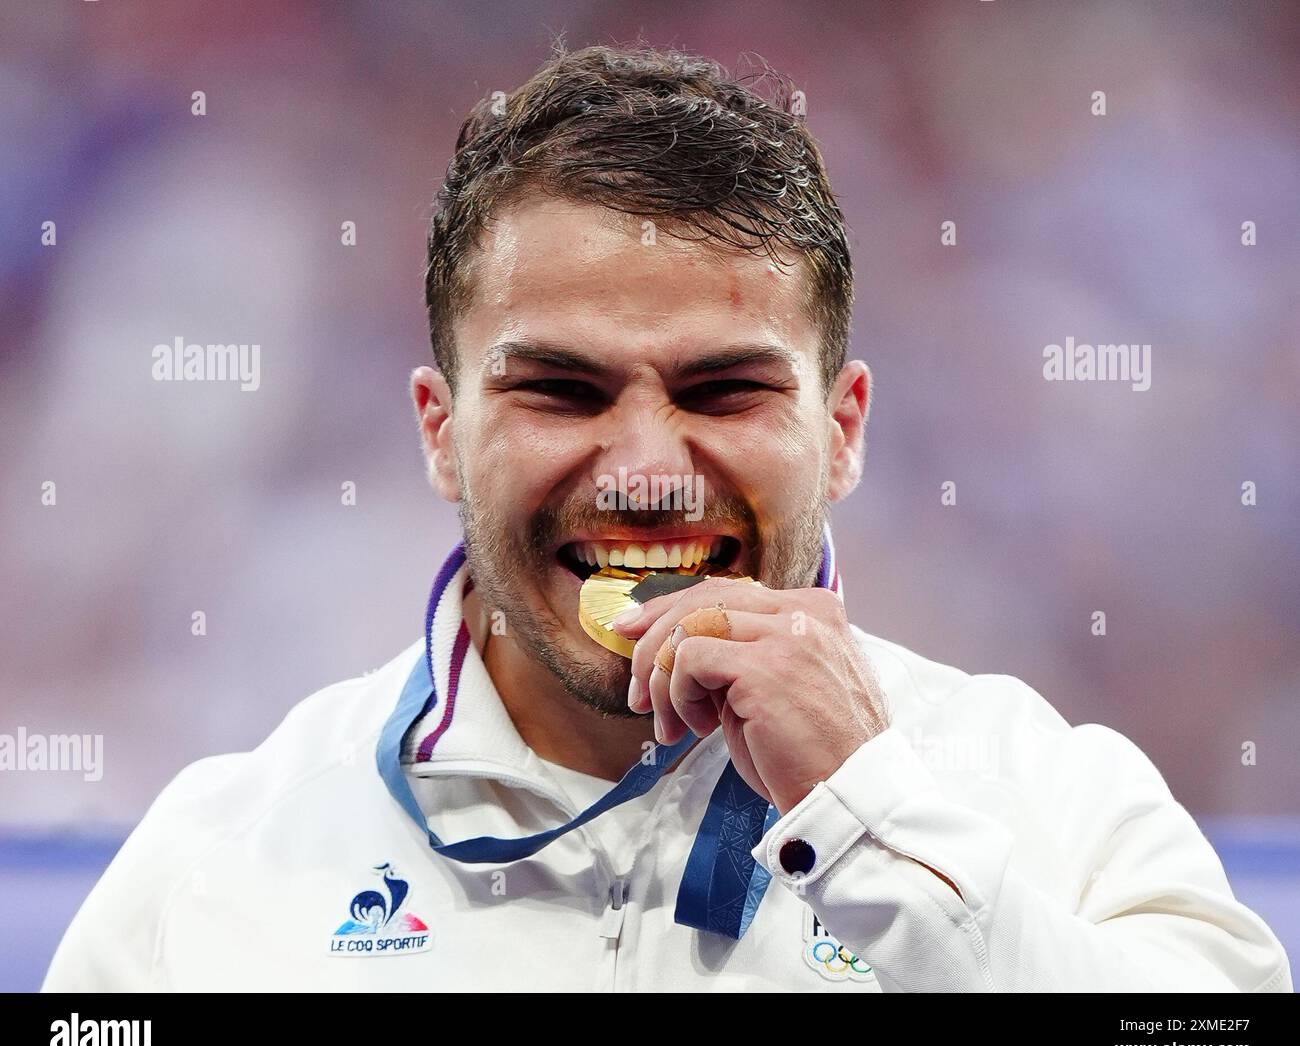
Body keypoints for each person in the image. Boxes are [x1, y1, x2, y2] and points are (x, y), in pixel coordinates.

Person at [43, 44, 1291, 993]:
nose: (643, 470)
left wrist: (873, 822)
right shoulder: (214, 867)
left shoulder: (1054, 802)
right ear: (439, 430)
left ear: (843, 428)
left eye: (723, 388)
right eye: (560, 389)